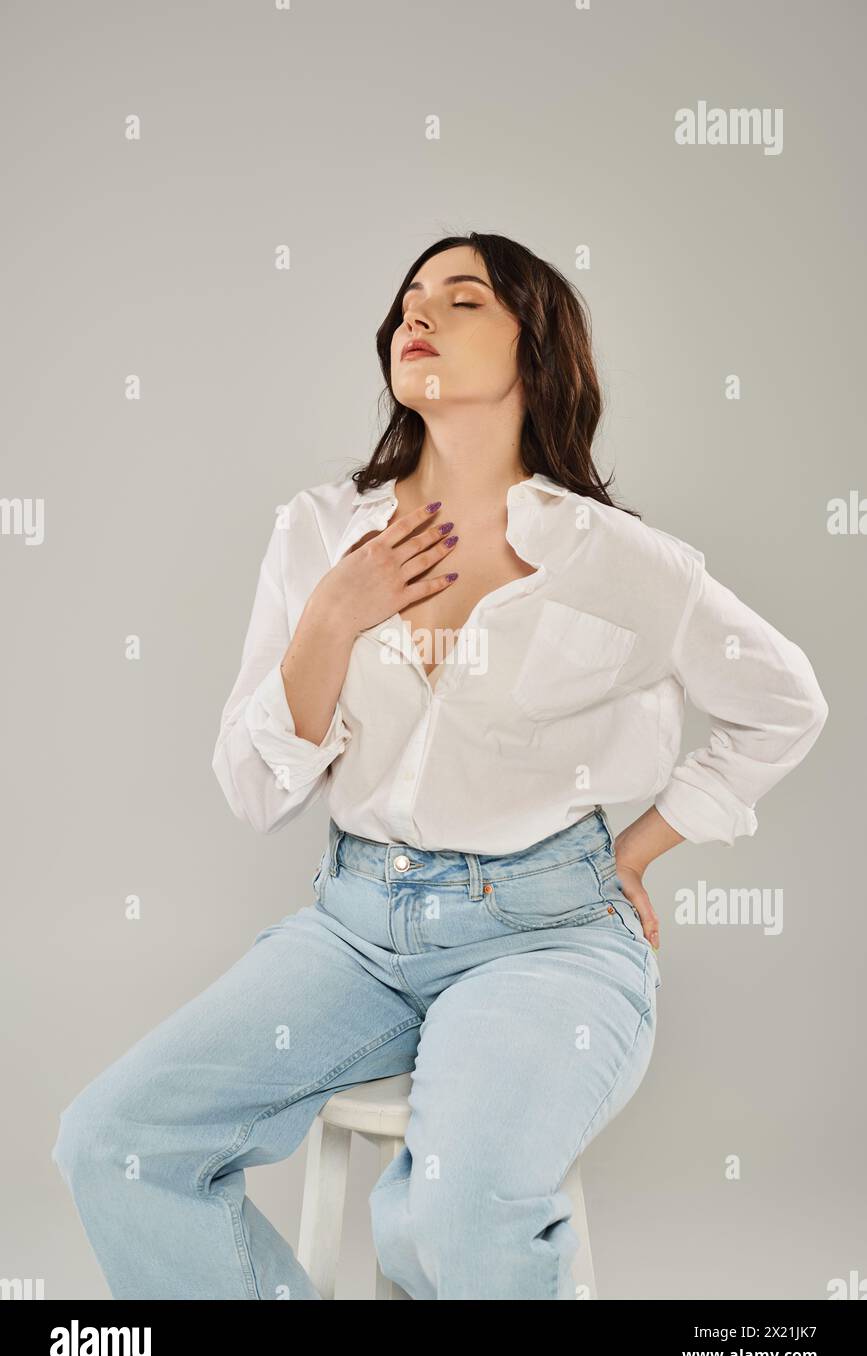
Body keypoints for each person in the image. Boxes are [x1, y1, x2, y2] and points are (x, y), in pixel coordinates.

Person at [52, 232, 829, 1300]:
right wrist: (334, 613)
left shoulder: (618, 563)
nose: (419, 315)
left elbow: (785, 701)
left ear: (537, 353)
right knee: (114, 1145)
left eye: (463, 300)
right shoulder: (321, 531)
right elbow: (254, 788)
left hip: (547, 939)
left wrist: (642, 850)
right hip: (353, 930)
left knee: (456, 1214)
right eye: (410, 300)